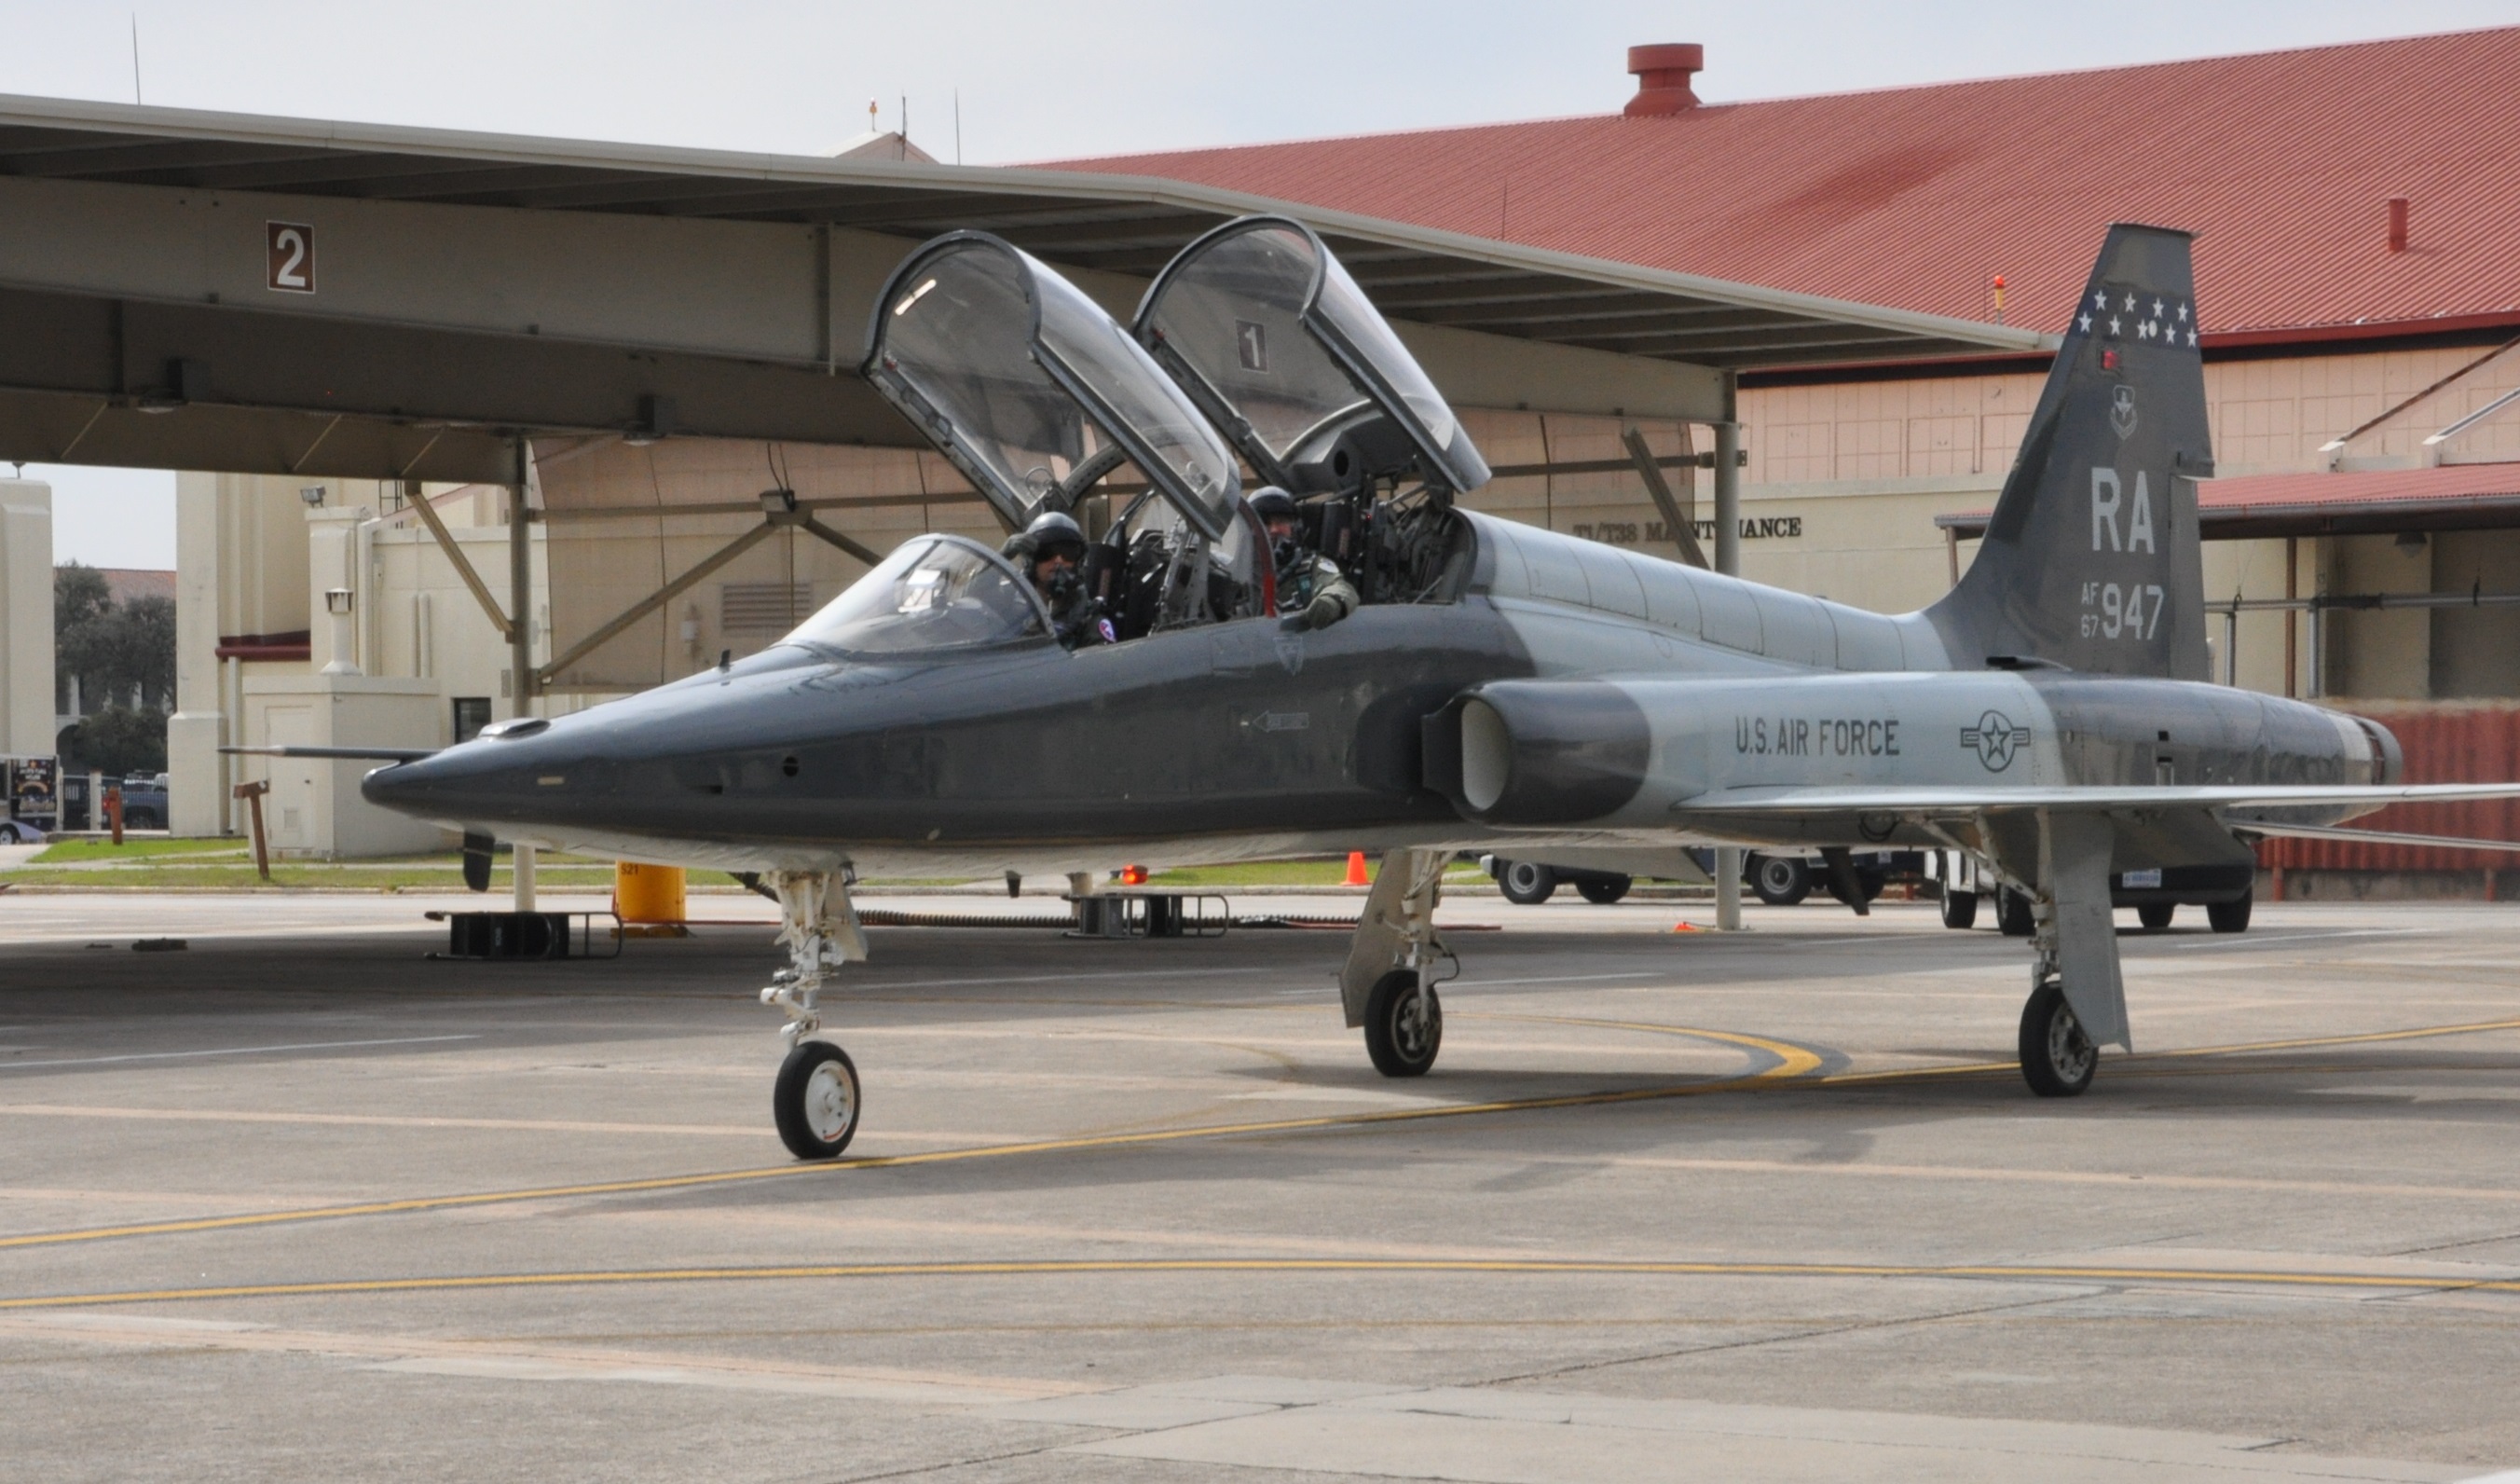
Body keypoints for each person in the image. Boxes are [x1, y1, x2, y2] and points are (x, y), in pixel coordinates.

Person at [1003, 510, 1113, 649]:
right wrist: (1000, 558)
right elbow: (976, 600)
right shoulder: (1009, 608)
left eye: (1068, 552)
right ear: (1031, 562)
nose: (1058, 560)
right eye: (1046, 552)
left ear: (1078, 562)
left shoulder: (1090, 620)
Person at [1251, 488, 1357, 631]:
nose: (1274, 529)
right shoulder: (1238, 569)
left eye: (1281, 521)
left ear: (1296, 527)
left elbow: (1341, 588)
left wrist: (1331, 601)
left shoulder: (1310, 565)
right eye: (1264, 523)